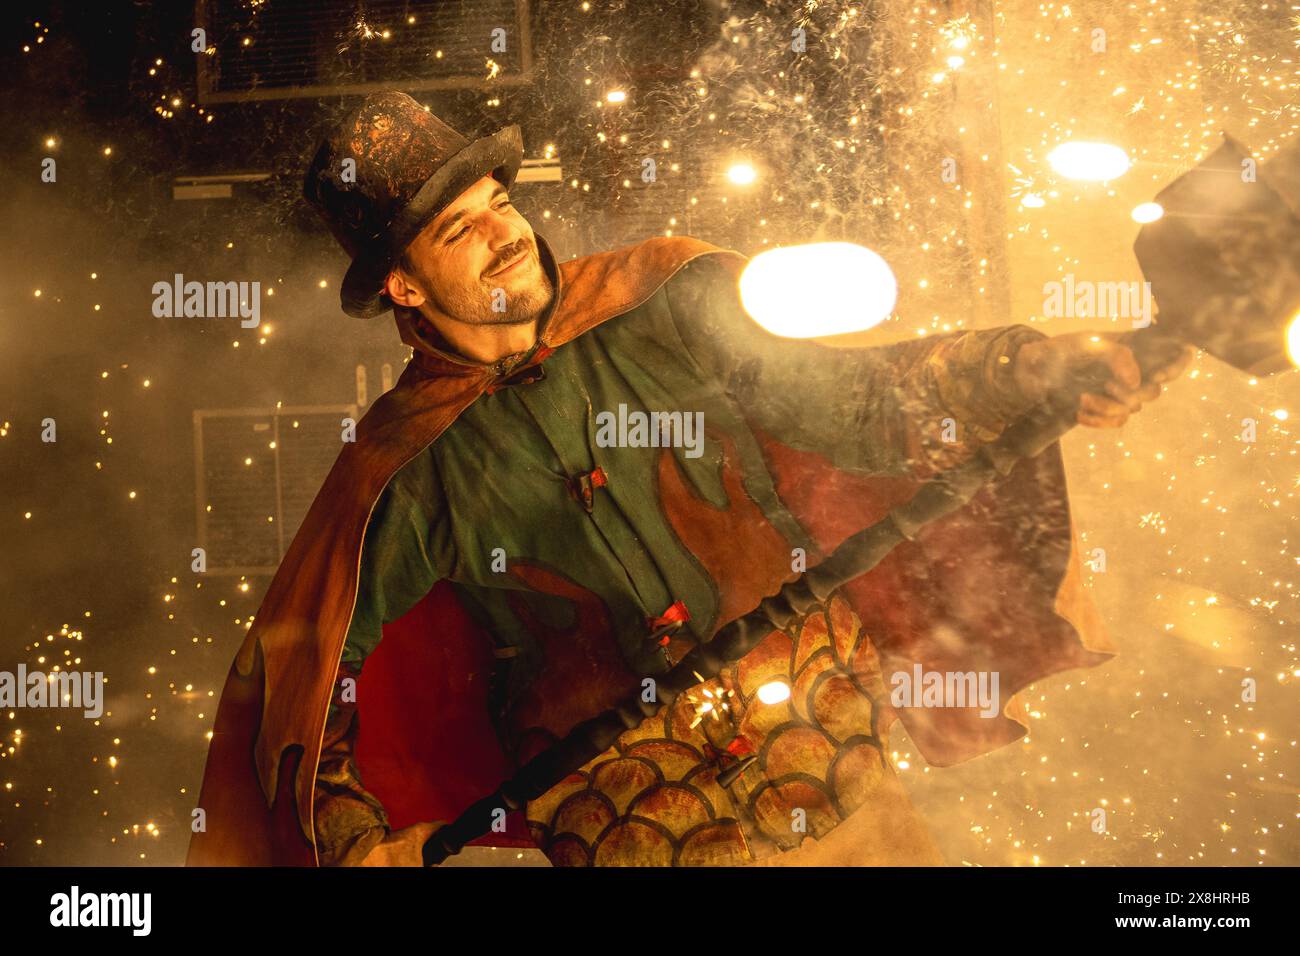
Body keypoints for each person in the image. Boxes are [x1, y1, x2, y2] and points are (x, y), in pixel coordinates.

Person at [188, 91, 1191, 867]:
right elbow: (311, 679)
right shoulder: (405, 469)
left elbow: (864, 404)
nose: (502, 232)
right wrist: (364, 842)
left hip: (830, 774)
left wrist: (1026, 367)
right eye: (456, 229)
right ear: (405, 287)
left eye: (497, 201)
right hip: (628, 823)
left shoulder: (666, 301)